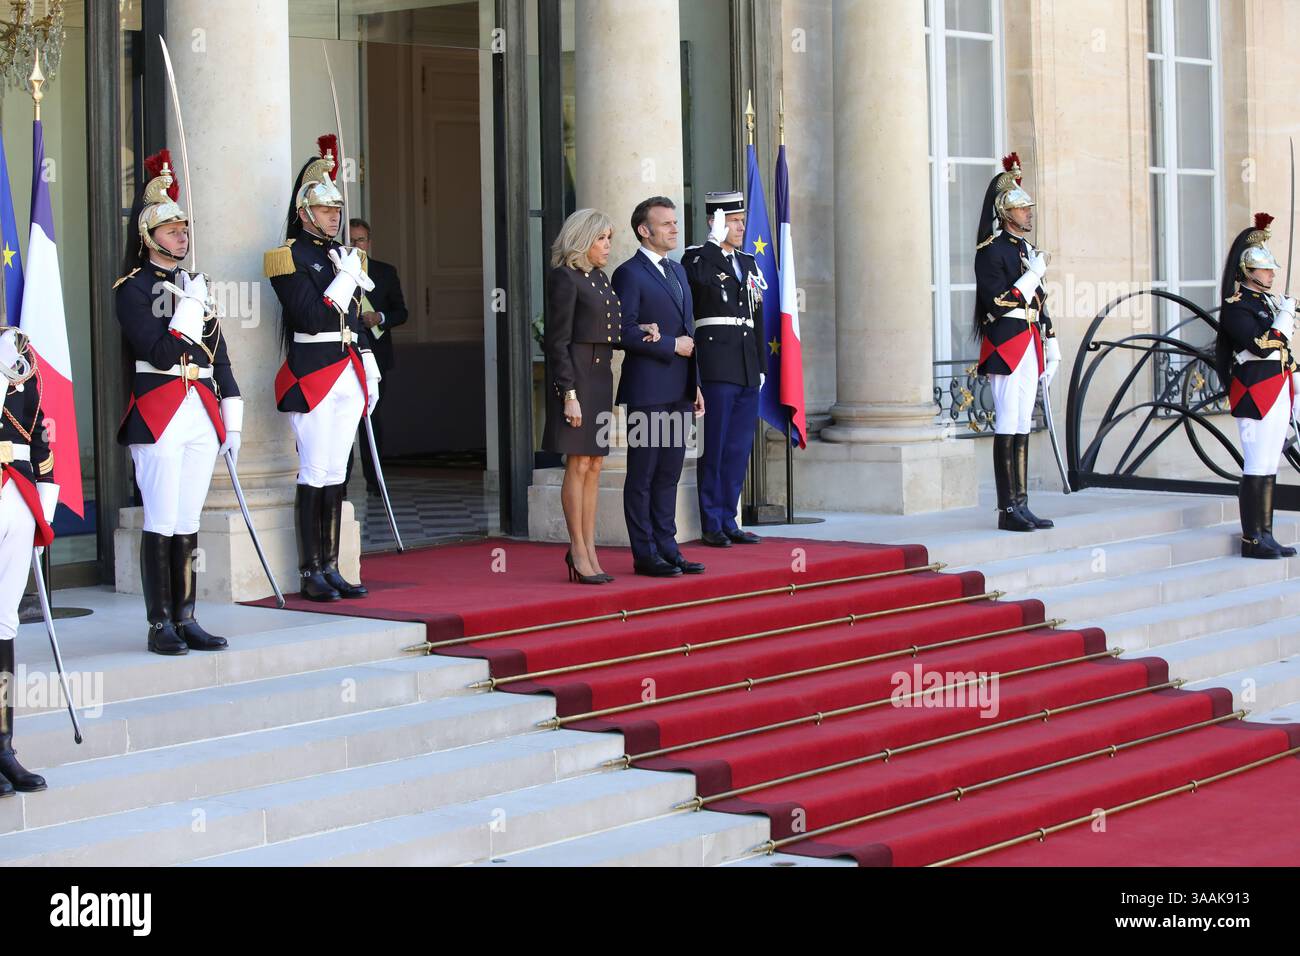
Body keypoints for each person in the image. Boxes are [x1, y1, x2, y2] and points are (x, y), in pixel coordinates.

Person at [116, 150, 240, 655]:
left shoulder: (195, 286)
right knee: (161, 519)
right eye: (171, 230)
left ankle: (187, 617)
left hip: (199, 412)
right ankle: (158, 623)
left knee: (188, 520)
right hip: (159, 412)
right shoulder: (133, 290)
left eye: (184, 229)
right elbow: (160, 351)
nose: (181, 237)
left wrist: (231, 418)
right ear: (148, 238)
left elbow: (221, 358)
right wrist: (188, 306)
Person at [266, 135, 380, 602]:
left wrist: (368, 364)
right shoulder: (287, 257)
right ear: (304, 211)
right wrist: (347, 276)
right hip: (313, 371)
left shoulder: (341, 255)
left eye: (337, 210)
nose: (335, 217)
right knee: (314, 470)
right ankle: (309, 569)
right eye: (326, 209)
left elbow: (352, 320)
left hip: (347, 368)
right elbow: (309, 317)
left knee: (337, 471)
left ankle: (332, 565)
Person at [613, 196, 707, 578]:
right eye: (665, 223)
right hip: (648, 391)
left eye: (674, 222)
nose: (674, 229)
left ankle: (669, 548)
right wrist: (670, 345)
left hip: (680, 388)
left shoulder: (678, 271)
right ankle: (644, 553)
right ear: (644, 230)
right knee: (644, 473)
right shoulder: (629, 273)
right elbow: (622, 331)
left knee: (669, 472)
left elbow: (688, 332)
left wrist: (695, 382)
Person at [973, 152, 1061, 532]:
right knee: (1008, 421)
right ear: (1006, 213)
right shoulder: (991, 250)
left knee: (1024, 421)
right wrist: (1031, 278)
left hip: (1029, 339)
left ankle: (1022, 504)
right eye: (1023, 209)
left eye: (1029, 209)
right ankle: (1006, 509)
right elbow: (996, 301)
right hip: (1006, 342)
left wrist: (1051, 337)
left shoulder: (1025, 250)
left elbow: (1038, 300)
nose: (1029, 214)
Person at [541, 209, 623, 584]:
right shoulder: (565, 278)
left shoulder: (601, 279)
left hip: (601, 375)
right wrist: (567, 393)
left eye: (609, 238)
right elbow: (556, 342)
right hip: (576, 377)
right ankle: (577, 549)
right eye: (601, 238)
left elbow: (611, 331)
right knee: (577, 464)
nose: (607, 245)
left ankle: (590, 547)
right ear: (582, 239)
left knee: (594, 465)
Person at [682, 191, 765, 547]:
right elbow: (697, 283)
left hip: (746, 365)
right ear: (714, 223)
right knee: (714, 446)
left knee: (737, 446)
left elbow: (756, 316)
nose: (741, 227)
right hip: (717, 365)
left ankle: (729, 517)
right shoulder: (697, 258)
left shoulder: (747, 262)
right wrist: (715, 242)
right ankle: (711, 521)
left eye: (742, 220)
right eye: (732, 220)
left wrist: (760, 365)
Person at [1215, 212, 1299, 559]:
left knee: (1269, 464)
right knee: (1256, 463)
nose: (1271, 274)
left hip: (1276, 387)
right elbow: (1259, 345)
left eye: (1271, 269)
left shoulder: (1266, 302)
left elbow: (1283, 353)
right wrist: (1284, 318)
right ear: (1249, 272)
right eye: (1265, 270)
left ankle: (1266, 534)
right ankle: (1252, 539)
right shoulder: (1236, 307)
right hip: (1253, 391)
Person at [0, 326, 59, 793]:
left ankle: (3, 745)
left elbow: (39, 430)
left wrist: (44, 503)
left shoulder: (16, 347)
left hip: (17, 496)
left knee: (4, 625)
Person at [347, 218, 407, 495]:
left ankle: (376, 481)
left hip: (377, 356)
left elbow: (401, 312)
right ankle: (341, 482)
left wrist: (379, 317)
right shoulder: (336, 271)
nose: (356, 244)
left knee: (372, 418)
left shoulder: (385, 272)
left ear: (368, 243)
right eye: (351, 240)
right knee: (344, 420)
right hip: (343, 356)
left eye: (360, 240)